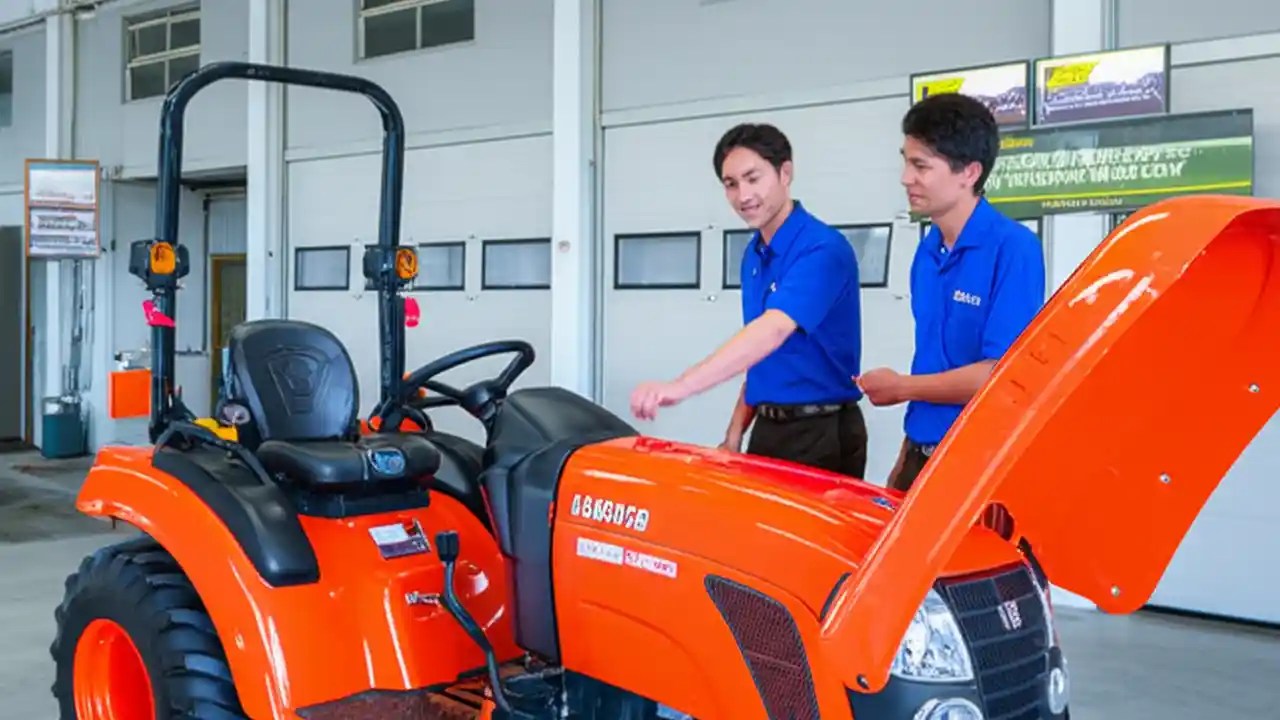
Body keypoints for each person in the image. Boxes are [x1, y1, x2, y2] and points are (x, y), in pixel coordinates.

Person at [629, 122, 868, 478]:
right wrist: (734, 433)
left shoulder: (822, 250)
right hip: (769, 428)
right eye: (731, 184)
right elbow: (760, 353)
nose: (743, 195)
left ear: (785, 172)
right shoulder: (755, 256)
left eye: (753, 178)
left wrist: (680, 386)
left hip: (821, 433)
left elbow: (771, 332)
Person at [856, 93, 1046, 493]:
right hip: (920, 456)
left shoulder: (1013, 249)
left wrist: (902, 387)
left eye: (920, 165)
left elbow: (999, 375)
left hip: (977, 467)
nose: (906, 178)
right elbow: (932, 359)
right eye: (906, 162)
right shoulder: (927, 252)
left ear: (969, 172)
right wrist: (907, 456)